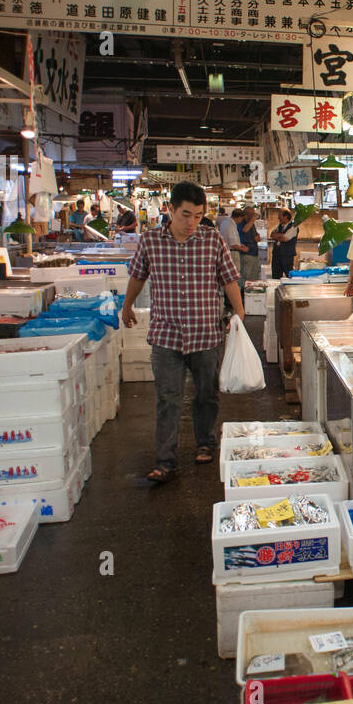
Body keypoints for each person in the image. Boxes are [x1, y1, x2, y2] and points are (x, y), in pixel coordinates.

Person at [122, 182, 245, 482]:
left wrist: (239, 314)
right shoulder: (151, 240)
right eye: (186, 215)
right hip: (166, 335)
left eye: (198, 216)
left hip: (206, 333)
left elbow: (229, 279)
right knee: (168, 398)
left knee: (206, 395)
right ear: (170, 209)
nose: (192, 223)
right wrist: (127, 305)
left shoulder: (212, 239)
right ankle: (165, 461)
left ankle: (206, 443)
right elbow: (138, 276)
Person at [270, 208, 299, 278]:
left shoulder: (293, 227)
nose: (278, 218)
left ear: (286, 217)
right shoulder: (279, 226)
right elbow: (272, 234)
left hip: (287, 256)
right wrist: (281, 235)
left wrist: (278, 236)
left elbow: (285, 238)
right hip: (276, 256)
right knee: (275, 276)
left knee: (289, 276)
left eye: (280, 216)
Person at [237, 206, 261, 282]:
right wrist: (253, 219)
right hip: (246, 254)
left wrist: (257, 236)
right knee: (247, 277)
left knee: (254, 277)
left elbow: (255, 234)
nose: (253, 215)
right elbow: (245, 229)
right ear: (246, 215)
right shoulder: (242, 222)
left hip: (254, 253)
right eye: (252, 214)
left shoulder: (251, 223)